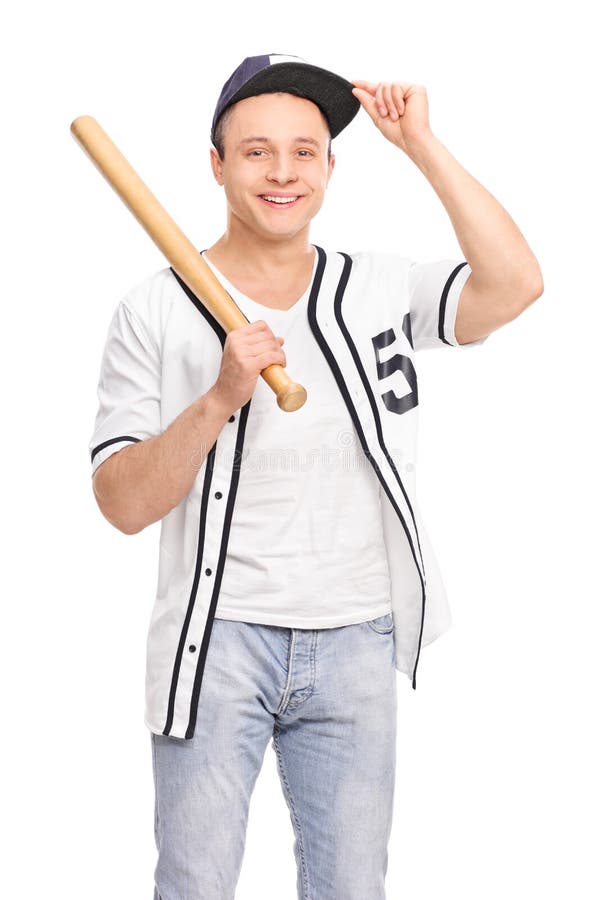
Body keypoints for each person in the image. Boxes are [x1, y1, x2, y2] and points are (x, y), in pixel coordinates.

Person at [89, 53, 543, 900]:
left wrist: (423, 147)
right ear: (217, 165)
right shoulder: (155, 308)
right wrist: (221, 395)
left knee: (350, 888)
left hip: (358, 638)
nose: (283, 171)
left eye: (305, 151)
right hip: (217, 638)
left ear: (331, 168)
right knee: (193, 885)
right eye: (256, 150)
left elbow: (516, 285)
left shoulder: (374, 286)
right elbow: (121, 503)